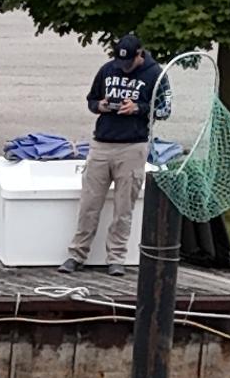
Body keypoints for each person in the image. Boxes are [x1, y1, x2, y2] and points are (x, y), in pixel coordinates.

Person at [69, 33, 169, 267]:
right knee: (89, 204)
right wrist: (100, 105)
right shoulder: (107, 70)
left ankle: (116, 258)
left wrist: (138, 108)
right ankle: (77, 254)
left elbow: (165, 109)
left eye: (128, 63)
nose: (123, 67)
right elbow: (92, 100)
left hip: (133, 146)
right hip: (102, 144)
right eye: (120, 62)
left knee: (123, 208)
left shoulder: (156, 74)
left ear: (139, 54)